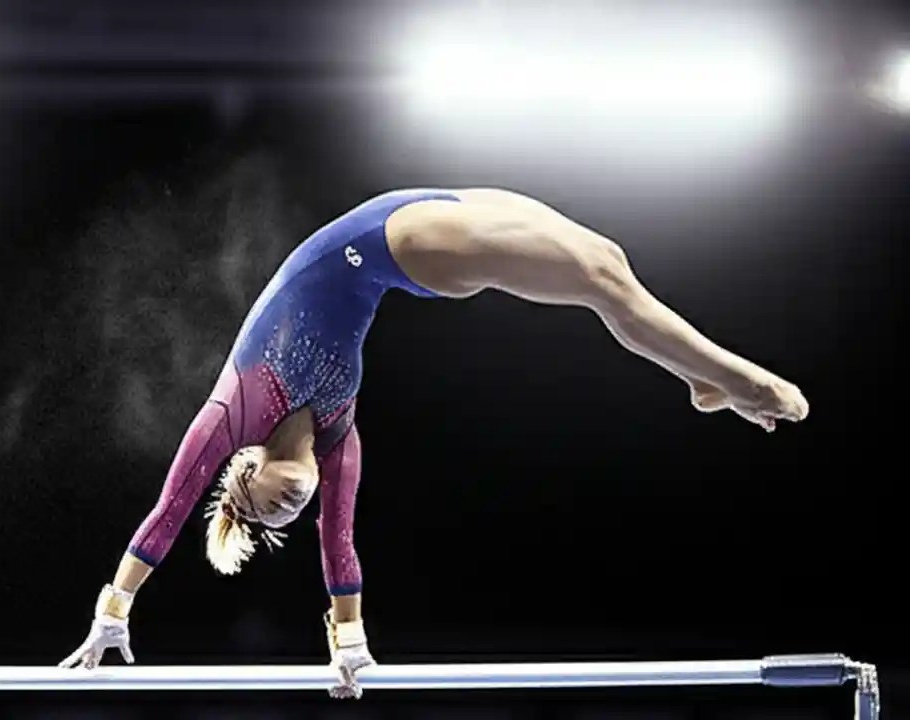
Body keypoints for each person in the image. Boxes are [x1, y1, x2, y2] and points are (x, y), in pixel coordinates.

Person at [57, 188, 808, 697]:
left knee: (605, 259)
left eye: (269, 503)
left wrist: (113, 611)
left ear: (243, 473)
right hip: (406, 248)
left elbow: (168, 509)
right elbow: (339, 549)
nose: (293, 502)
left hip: (400, 224)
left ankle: (707, 383)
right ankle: (733, 382)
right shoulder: (337, 439)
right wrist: (348, 649)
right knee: (597, 279)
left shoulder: (235, 410)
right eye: (294, 512)